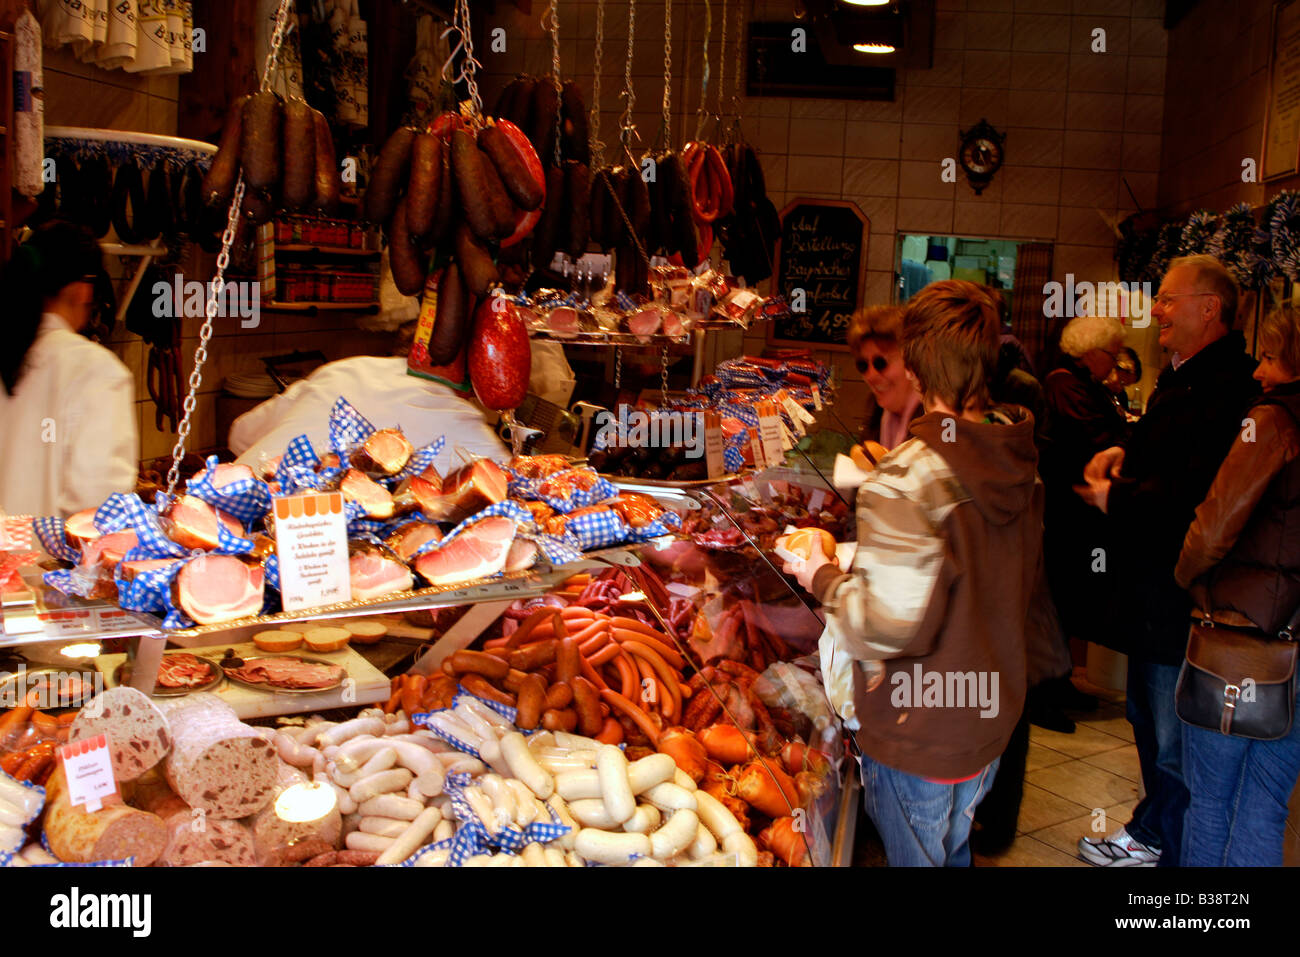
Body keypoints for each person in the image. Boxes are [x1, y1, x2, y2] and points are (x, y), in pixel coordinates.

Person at [788, 280, 1045, 866]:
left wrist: (821, 574)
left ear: (919, 365)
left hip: (919, 728)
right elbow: (989, 580)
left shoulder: (908, 475)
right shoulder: (1019, 460)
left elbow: (881, 628)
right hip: (987, 716)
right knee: (951, 853)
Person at [1073, 255, 1259, 867]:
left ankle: (1175, 857)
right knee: (1147, 719)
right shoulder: (1187, 375)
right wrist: (1120, 449)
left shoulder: (1227, 386)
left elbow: (1190, 492)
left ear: (1210, 308)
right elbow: (1161, 450)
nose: (1158, 312)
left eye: (1170, 300)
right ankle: (1154, 832)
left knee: (1170, 731)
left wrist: (1114, 496)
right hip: (1151, 592)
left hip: (1179, 596)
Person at [1174, 306, 1300, 866]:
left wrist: (1187, 576)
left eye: (1270, 358)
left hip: (1242, 640)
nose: (1258, 371)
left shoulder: (1271, 421)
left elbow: (1213, 526)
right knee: (1267, 804)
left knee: (1210, 801)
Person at [229, 321, 508, 471]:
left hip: (232, 511)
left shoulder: (339, 370)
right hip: (309, 542)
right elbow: (505, 480)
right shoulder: (457, 415)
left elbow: (240, 434)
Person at [0, 221, 138, 520]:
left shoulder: (10, 355)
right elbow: (99, 503)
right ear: (82, 291)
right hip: (45, 564)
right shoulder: (97, 371)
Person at [847, 305, 923, 450]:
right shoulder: (875, 410)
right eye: (863, 365)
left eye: (880, 363)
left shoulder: (935, 421)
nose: (871, 376)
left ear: (911, 362)